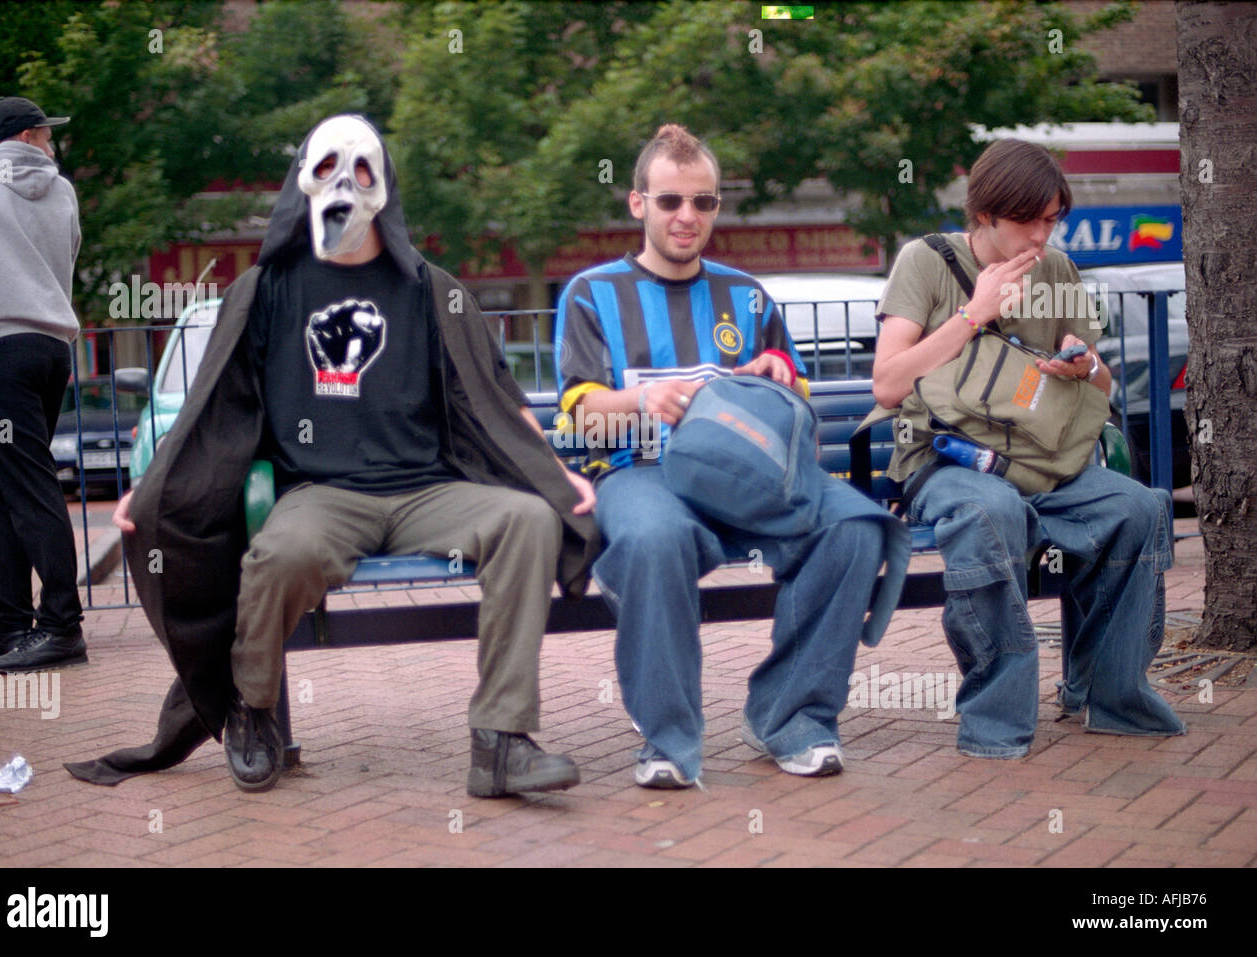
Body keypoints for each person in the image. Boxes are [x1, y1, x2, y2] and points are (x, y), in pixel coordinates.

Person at [71, 114, 599, 796]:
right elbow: (211, 404)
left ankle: (500, 741)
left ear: (384, 186)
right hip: (319, 494)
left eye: (360, 168)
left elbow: (494, 400)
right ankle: (252, 710)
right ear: (302, 181)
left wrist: (554, 479)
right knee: (281, 554)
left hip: (428, 489)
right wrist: (153, 487)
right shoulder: (265, 290)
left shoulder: (433, 291)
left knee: (527, 520)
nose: (343, 183)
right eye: (326, 168)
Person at [556, 124, 906, 789]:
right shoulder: (590, 293)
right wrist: (643, 399)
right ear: (637, 204)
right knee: (654, 539)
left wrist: (776, 369)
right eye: (669, 202)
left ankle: (791, 716)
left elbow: (794, 394)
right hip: (644, 473)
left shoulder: (746, 293)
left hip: (752, 475)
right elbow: (577, 416)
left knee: (855, 525)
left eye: (703, 202)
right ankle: (667, 737)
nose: (687, 216)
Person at [871, 137, 1185, 758]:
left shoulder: (1059, 270)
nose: (1041, 236)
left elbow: (1103, 382)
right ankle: (996, 718)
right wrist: (973, 315)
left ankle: (1107, 693)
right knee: (991, 513)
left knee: (1141, 508)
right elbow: (887, 383)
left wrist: (1083, 364)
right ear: (986, 213)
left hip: (1041, 458)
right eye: (1028, 220)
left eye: (1052, 219)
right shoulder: (925, 262)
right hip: (946, 460)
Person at [0, 96, 87, 673]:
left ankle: (62, 626)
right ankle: (10, 619)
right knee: (10, 483)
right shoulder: (63, 191)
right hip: (51, 348)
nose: (52, 142)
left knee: (28, 482)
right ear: (30, 135)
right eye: (47, 132)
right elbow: (69, 260)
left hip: (1, 348)